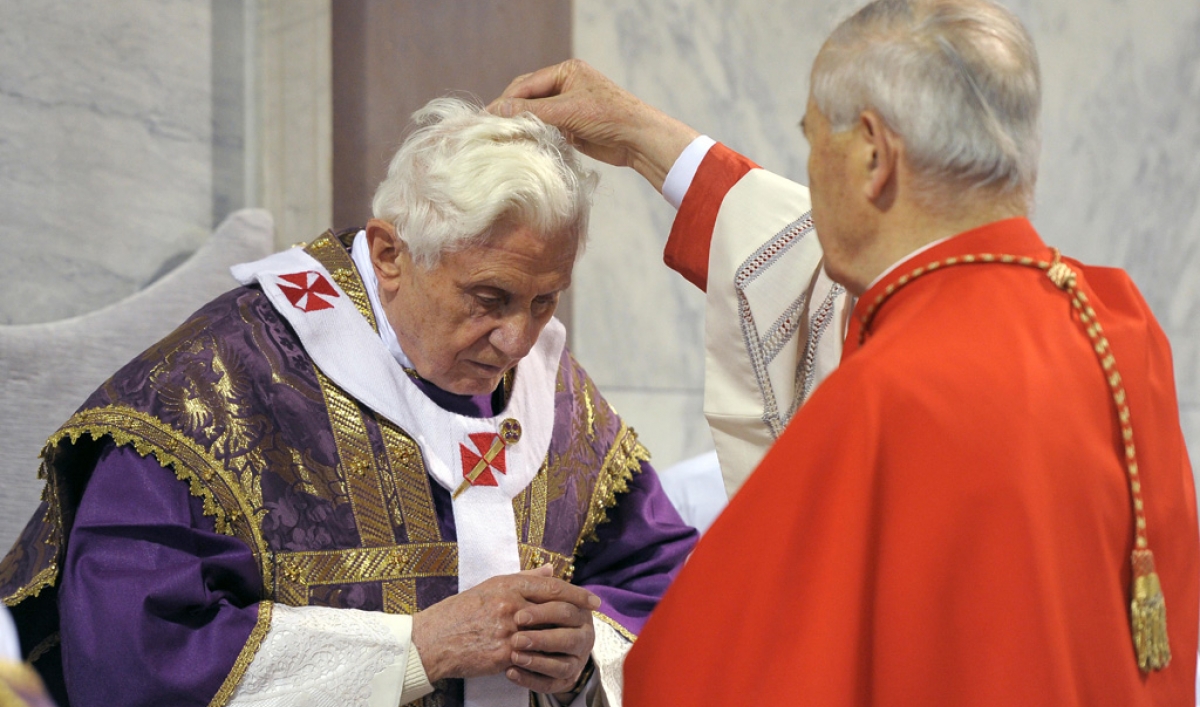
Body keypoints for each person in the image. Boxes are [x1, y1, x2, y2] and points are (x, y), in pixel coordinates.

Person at [491, 0, 1199, 703]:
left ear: (871, 153)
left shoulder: (883, 395)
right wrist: (648, 140)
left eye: (808, 138)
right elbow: (830, 252)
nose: (808, 172)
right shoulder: (1116, 327)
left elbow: (709, 672)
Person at [0, 97, 697, 707]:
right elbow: (132, 654)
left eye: (545, 300)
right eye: (490, 298)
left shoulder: (557, 396)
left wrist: (587, 649)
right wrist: (416, 648)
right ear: (391, 254)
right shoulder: (218, 386)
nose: (518, 338)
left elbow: (673, 594)